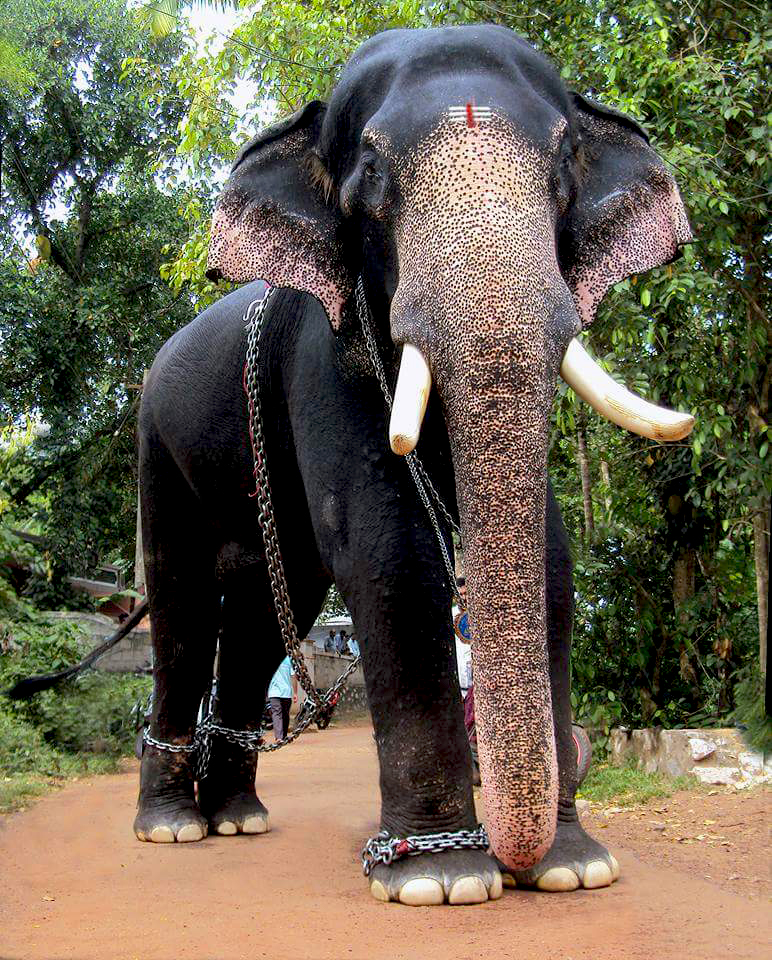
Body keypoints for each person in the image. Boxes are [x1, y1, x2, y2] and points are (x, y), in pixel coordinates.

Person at [267, 654, 297, 741]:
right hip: (285, 692)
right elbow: (293, 676)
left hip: (274, 692)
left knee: (277, 714)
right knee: (284, 714)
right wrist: (295, 693)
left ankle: (280, 736)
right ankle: (281, 736)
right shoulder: (288, 659)